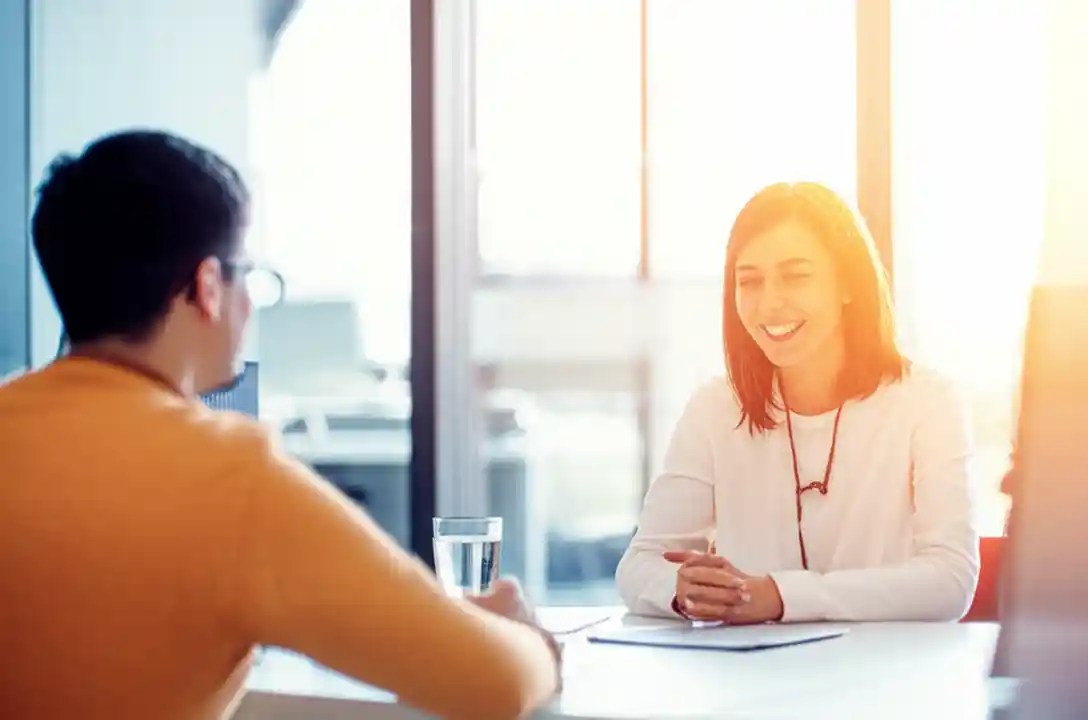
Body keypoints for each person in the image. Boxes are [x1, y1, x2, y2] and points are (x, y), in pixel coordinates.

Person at [0, 130, 559, 720]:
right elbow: (496, 684)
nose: (249, 303)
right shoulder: (226, 477)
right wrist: (528, 640)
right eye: (247, 274)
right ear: (208, 287)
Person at [616, 182, 979, 624]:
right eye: (749, 281)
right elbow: (639, 565)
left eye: (796, 276)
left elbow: (950, 580)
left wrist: (780, 596)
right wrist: (683, 590)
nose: (770, 303)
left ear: (848, 283)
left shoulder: (928, 403)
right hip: (749, 664)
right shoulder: (715, 408)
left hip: (884, 663)